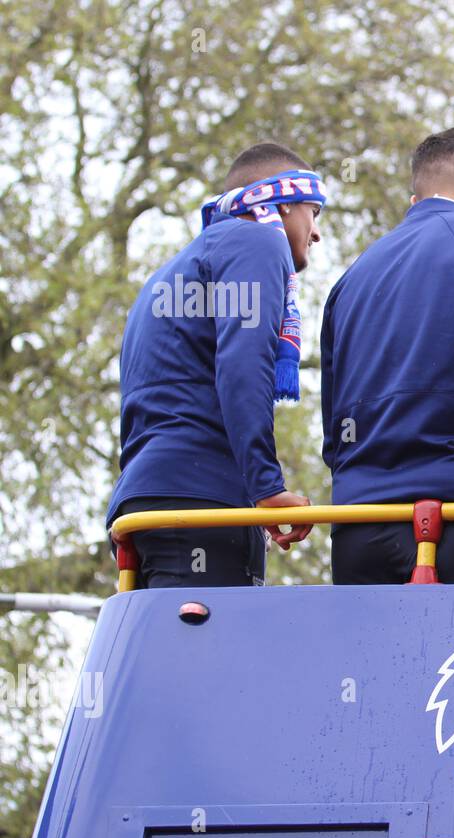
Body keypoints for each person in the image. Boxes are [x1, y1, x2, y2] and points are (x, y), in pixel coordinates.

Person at [322, 127, 454, 585]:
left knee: (366, 659)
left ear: (415, 196)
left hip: (357, 522)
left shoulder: (351, 279)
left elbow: (332, 403)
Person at [107, 142, 324, 588]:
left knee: (169, 658)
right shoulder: (257, 240)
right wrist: (266, 488)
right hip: (201, 502)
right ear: (280, 205)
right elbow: (243, 366)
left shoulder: (169, 273)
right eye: (313, 212)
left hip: (144, 505)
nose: (316, 232)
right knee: (213, 658)